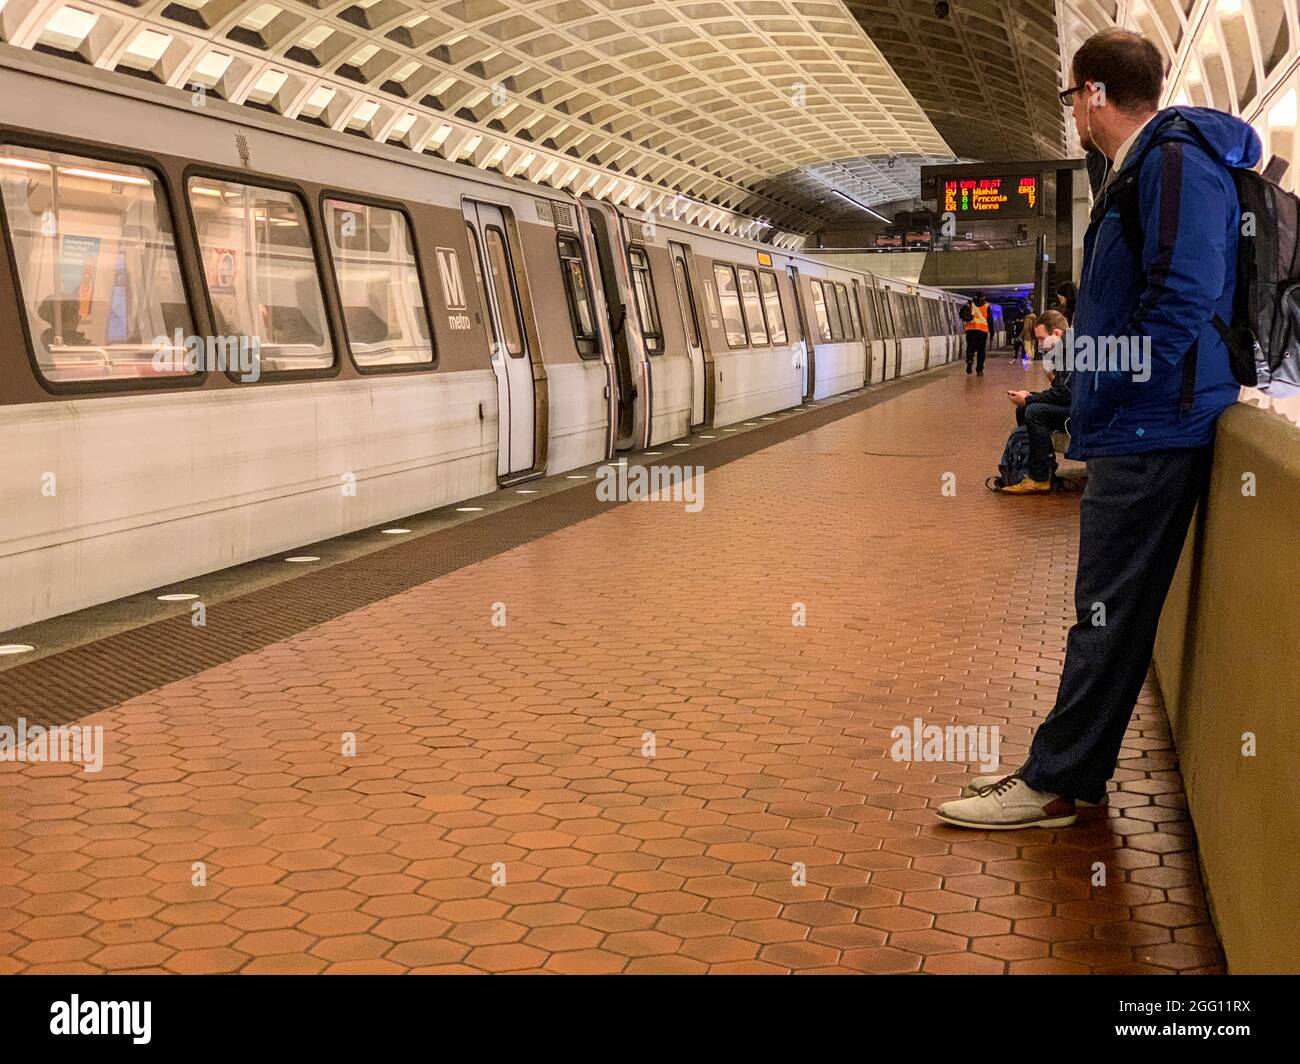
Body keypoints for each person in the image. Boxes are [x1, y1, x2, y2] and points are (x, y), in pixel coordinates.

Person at [938, 28, 1254, 829]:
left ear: (1095, 95)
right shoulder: (1149, 166)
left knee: (1104, 612)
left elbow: (1180, 299)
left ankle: (1055, 784)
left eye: (1073, 96)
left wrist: (1101, 387)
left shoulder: (1174, 162)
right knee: (1109, 611)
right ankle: (1063, 771)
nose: (1074, 112)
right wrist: (1087, 386)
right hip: (1139, 422)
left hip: (1153, 427)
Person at [998, 309, 1071, 494]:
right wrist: (1030, 395)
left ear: (1056, 333)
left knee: (1033, 412)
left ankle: (1040, 478)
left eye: (1041, 338)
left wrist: (1029, 398)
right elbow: (1064, 391)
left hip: (1081, 413)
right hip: (1074, 407)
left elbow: (1065, 395)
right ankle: (1034, 467)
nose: (1039, 344)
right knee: (1025, 409)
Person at [963, 292, 991, 375]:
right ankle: (979, 370)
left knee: (970, 348)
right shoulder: (987, 306)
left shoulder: (970, 304)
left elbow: (962, 314)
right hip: (982, 332)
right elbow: (990, 321)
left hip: (970, 331)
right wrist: (992, 332)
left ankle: (969, 360)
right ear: (983, 297)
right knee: (981, 352)